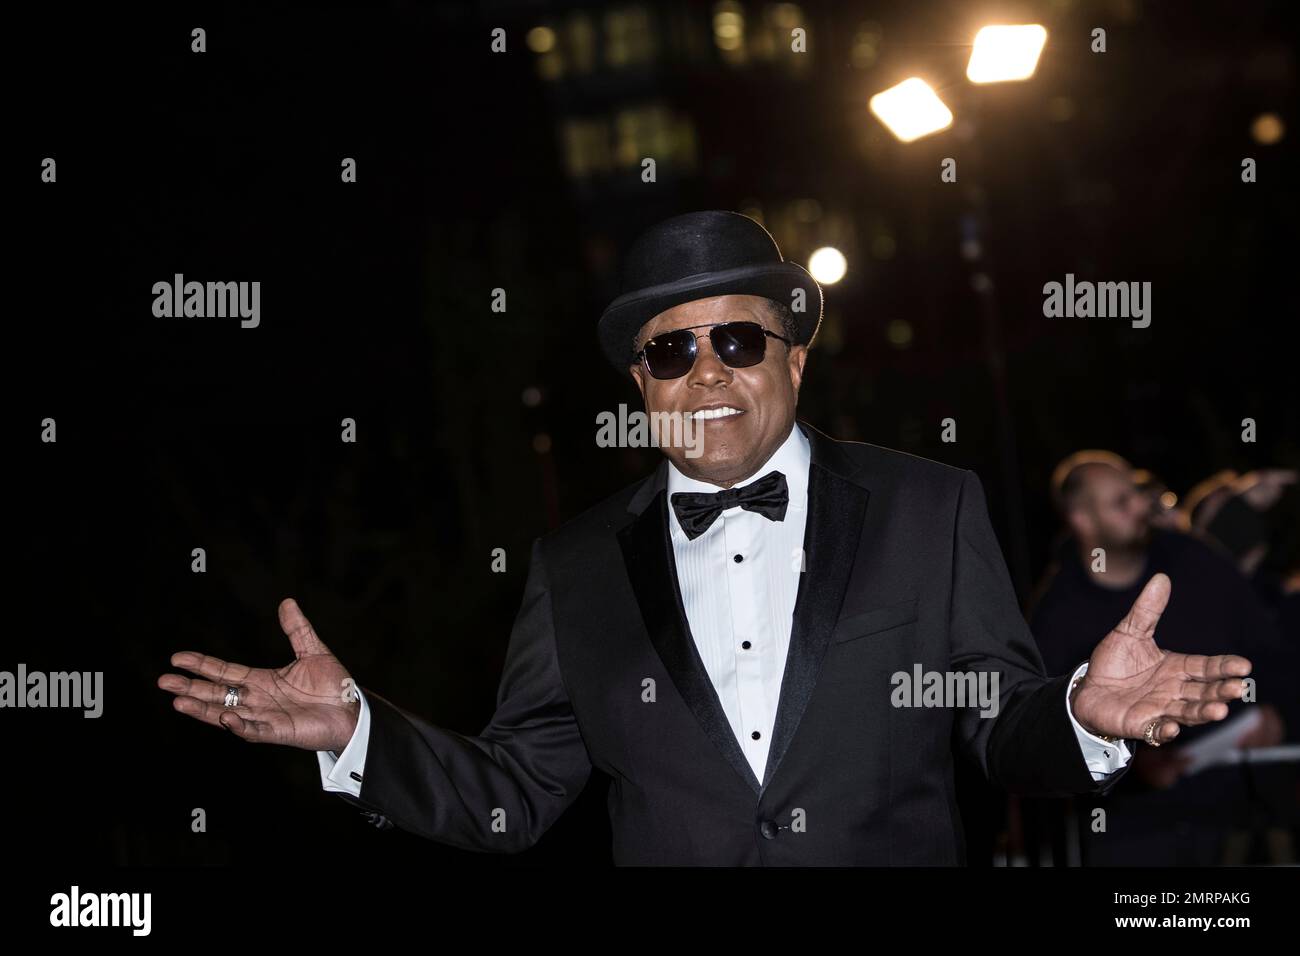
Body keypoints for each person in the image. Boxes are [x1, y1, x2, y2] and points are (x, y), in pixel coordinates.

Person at [158, 210, 1252, 865]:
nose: (707, 370)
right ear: (640, 383)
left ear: (794, 357)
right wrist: (359, 733)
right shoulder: (574, 564)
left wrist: (1080, 716)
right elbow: (517, 793)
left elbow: (994, 726)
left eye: (736, 335)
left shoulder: (928, 505)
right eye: (670, 350)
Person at [1029, 451, 1294, 864]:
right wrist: (1133, 769)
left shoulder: (1193, 558)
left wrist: (1279, 713)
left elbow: (1268, 646)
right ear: (1082, 520)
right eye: (1120, 502)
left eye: (1135, 492)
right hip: (1137, 831)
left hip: (1242, 805)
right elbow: (1045, 745)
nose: (1139, 505)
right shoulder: (1056, 617)